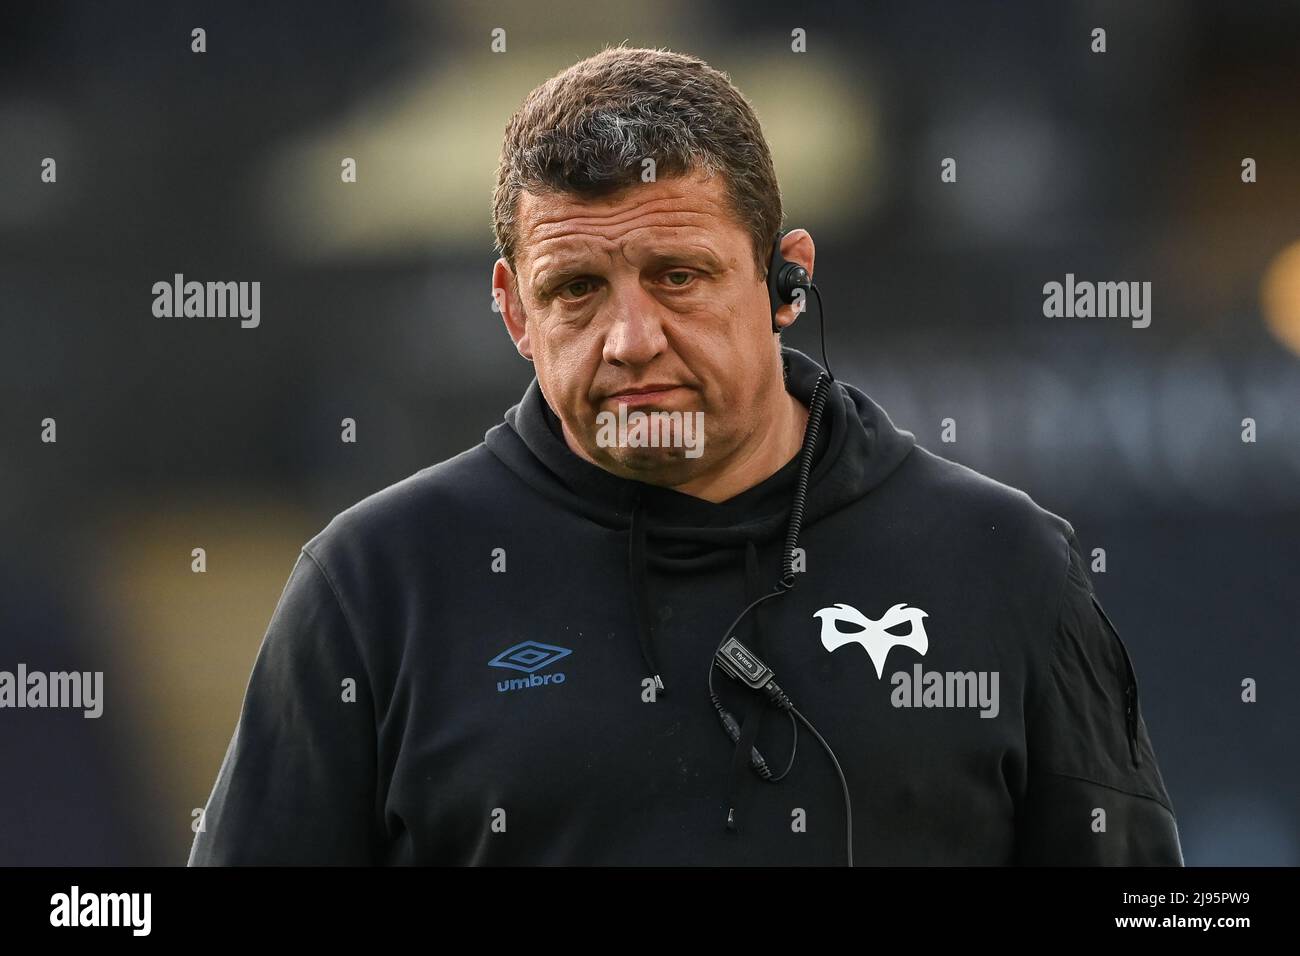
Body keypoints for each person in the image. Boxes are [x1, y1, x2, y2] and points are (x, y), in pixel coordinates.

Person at [188, 44, 1183, 866]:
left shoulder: (1002, 563)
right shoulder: (373, 587)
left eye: (677, 275)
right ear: (511, 310)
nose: (629, 338)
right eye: (575, 287)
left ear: (783, 280)